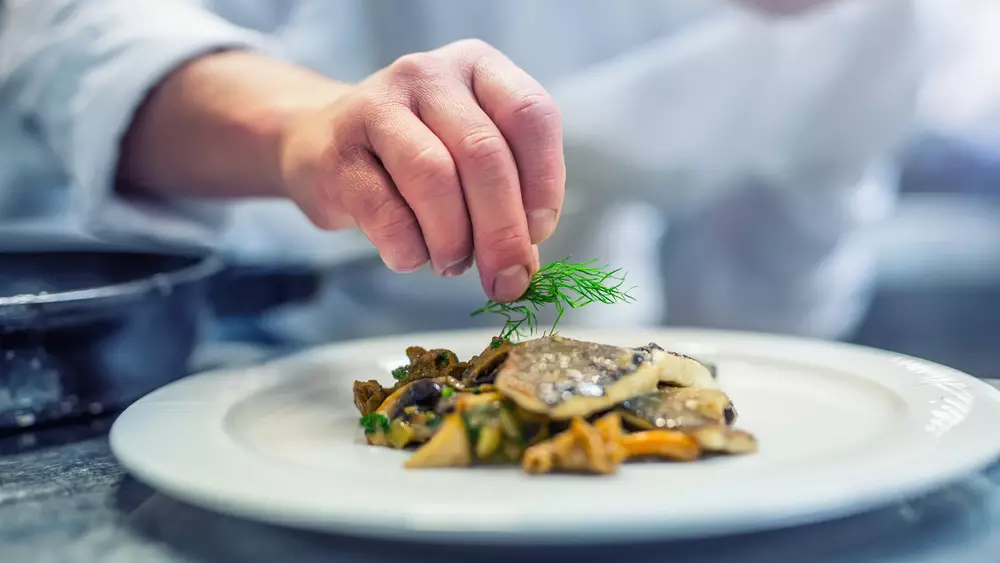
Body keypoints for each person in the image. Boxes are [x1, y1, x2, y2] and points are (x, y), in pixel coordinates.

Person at [0, 0, 922, 343]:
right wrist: (306, 128)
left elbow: (771, 301)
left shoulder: (900, 29)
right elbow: (59, 29)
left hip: (576, 350)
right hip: (162, 325)